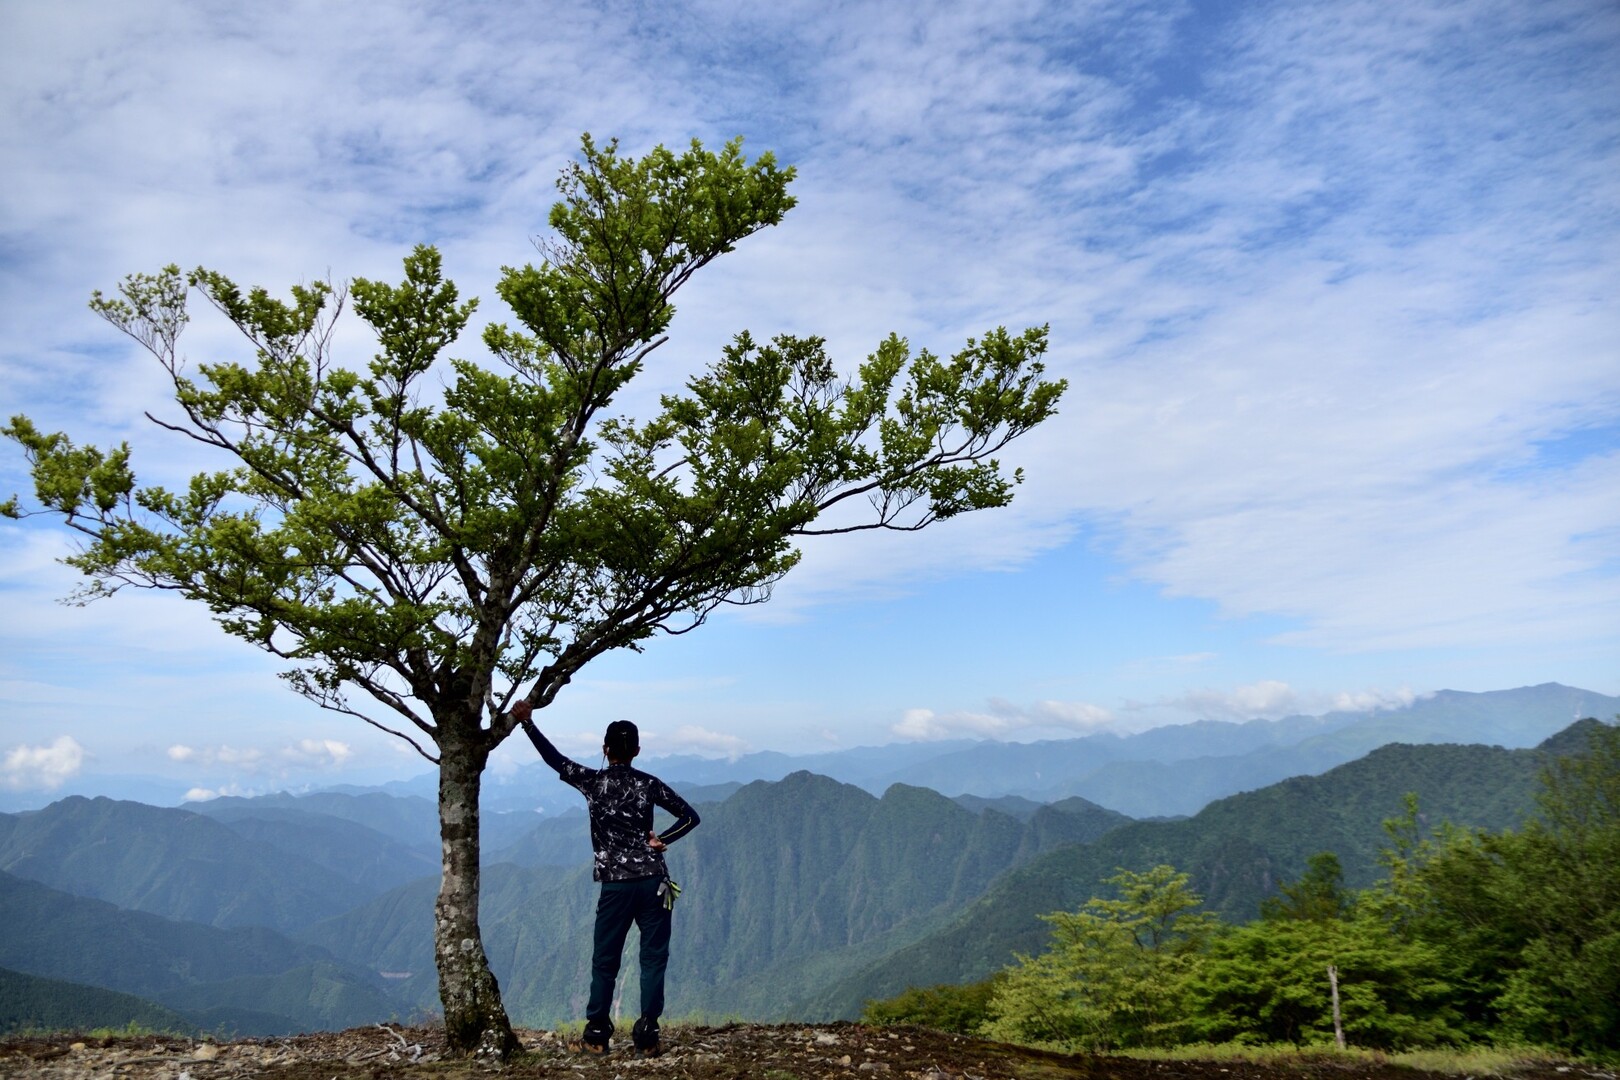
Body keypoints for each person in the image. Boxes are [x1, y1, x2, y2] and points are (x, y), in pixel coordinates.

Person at [511, 701, 700, 1058]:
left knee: (605, 960)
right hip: (654, 882)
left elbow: (556, 761)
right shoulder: (648, 784)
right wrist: (663, 840)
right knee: (653, 958)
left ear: (605, 749)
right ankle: (647, 1036)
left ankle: (597, 1034)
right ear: (637, 751)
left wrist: (528, 724)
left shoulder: (593, 782)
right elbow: (690, 817)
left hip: (615, 885)